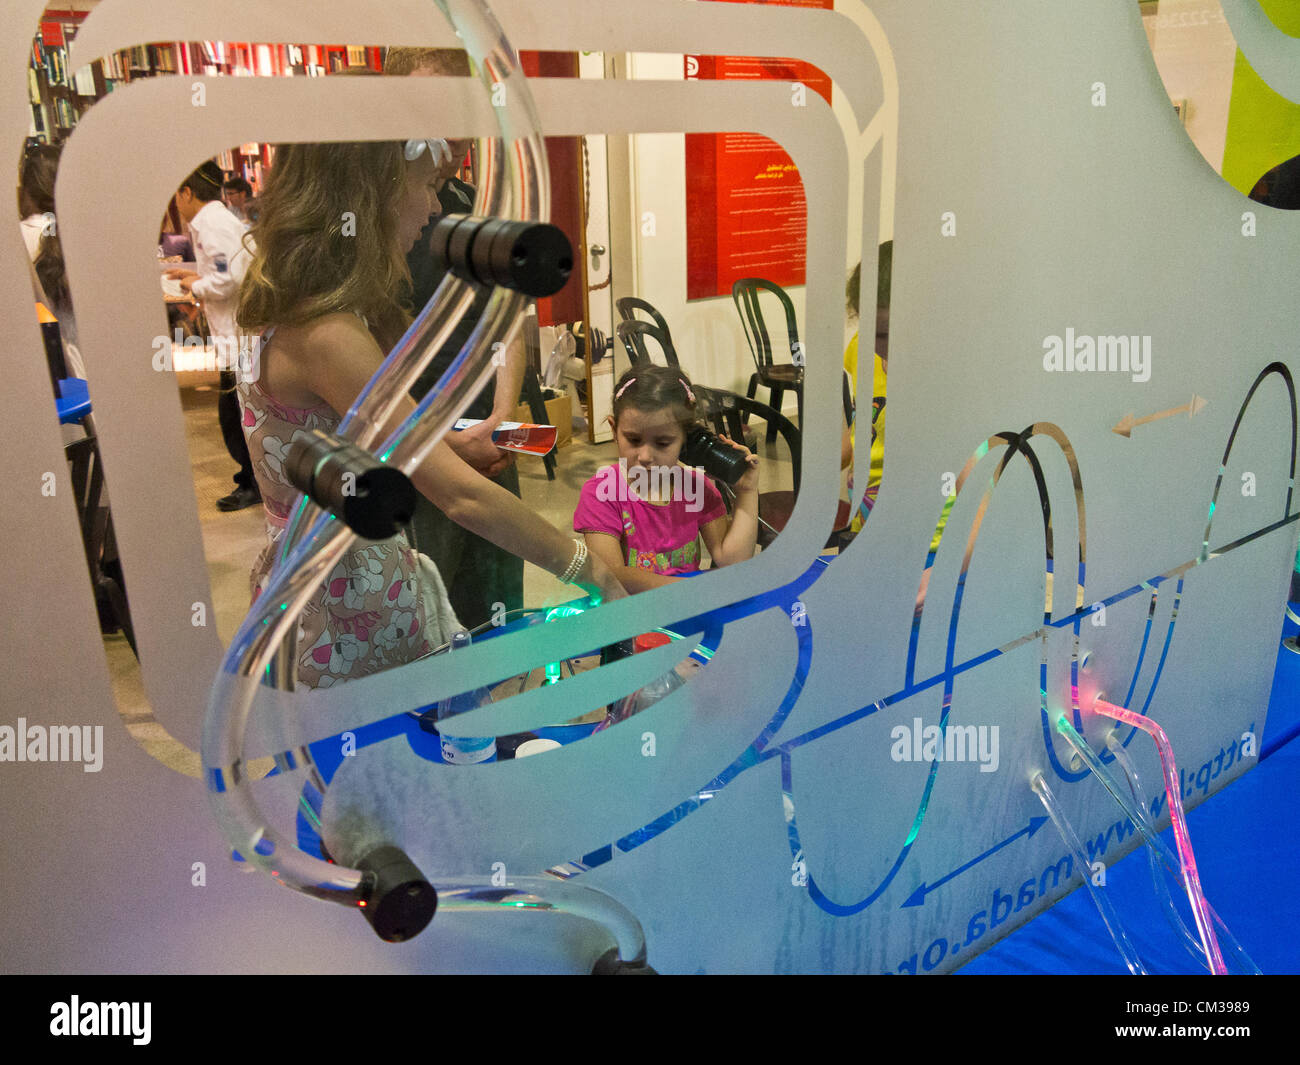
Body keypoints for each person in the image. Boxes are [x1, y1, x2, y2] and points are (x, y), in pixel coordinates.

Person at [236, 138, 624, 688]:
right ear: (373, 196)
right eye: (422, 185)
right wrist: (591, 569)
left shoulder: (296, 307)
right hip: (345, 610)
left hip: (328, 586)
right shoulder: (329, 335)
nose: (434, 207)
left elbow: (359, 448)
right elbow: (460, 496)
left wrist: (445, 447)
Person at [383, 45, 527, 630]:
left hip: (488, 435)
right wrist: (438, 443)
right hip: (411, 449)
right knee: (431, 622)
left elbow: (509, 313)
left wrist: (504, 416)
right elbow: (368, 363)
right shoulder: (377, 217)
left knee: (500, 608)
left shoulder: (476, 203)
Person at [574, 364, 759, 593]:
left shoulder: (696, 488)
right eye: (633, 440)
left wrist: (747, 492)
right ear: (614, 430)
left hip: (684, 607)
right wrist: (693, 589)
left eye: (662, 443)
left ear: (686, 441)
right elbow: (610, 575)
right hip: (632, 613)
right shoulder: (601, 494)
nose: (645, 456)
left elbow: (732, 562)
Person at [164, 161, 260, 512]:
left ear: (187, 192)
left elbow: (226, 279)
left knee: (236, 419)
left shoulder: (211, 224)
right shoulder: (216, 221)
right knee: (237, 415)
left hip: (239, 340)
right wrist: (192, 280)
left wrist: (197, 285)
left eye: (177, 192)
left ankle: (253, 482)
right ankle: (252, 479)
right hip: (236, 336)